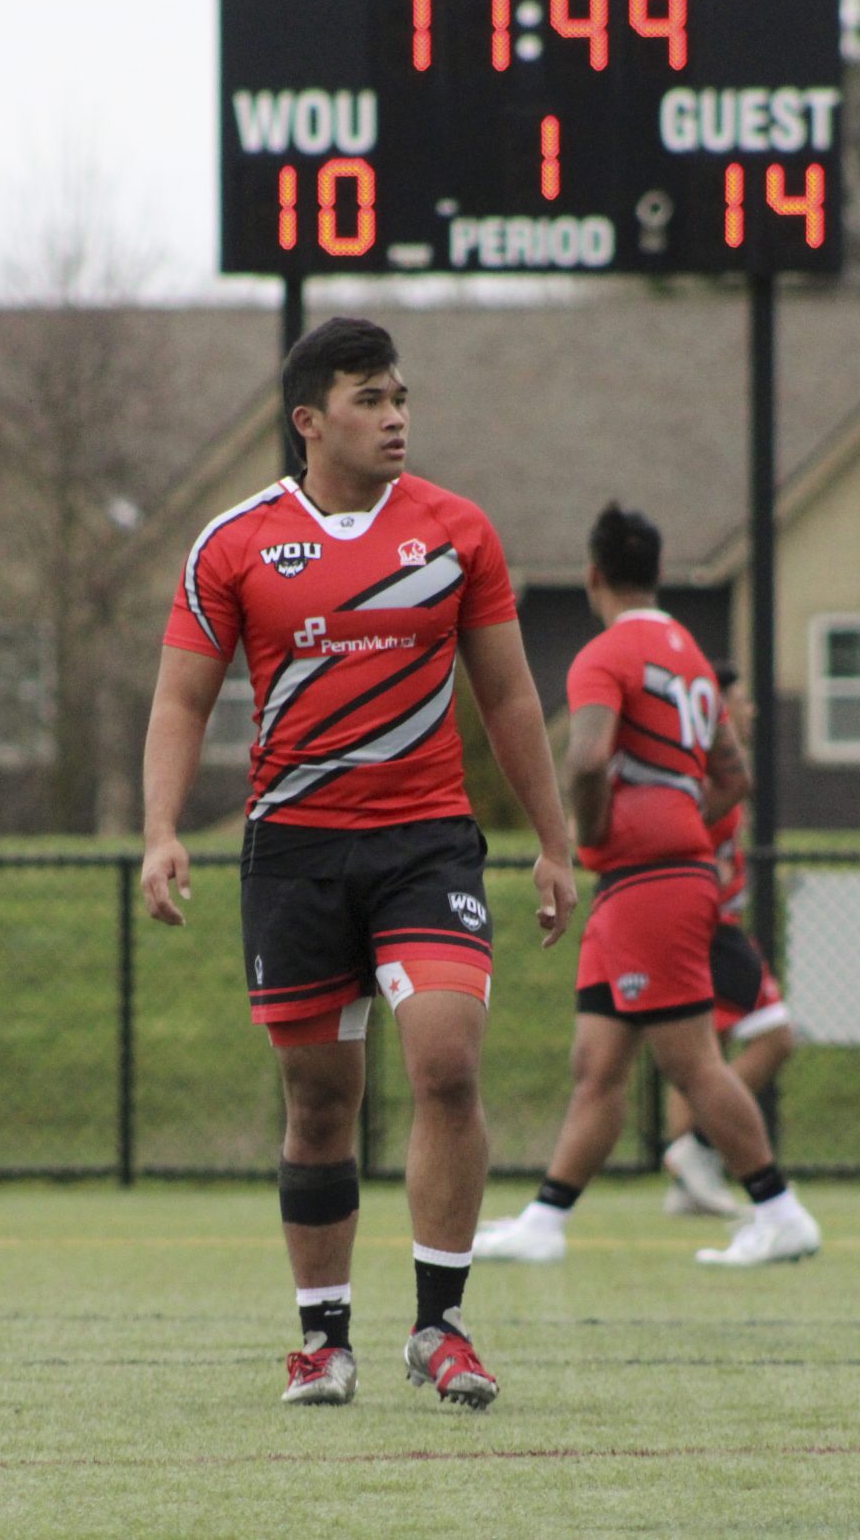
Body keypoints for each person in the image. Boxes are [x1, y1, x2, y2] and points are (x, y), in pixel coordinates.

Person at [140, 316, 579, 1410]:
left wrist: (555, 839)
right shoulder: (232, 544)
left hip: (424, 845)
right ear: (309, 421)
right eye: (370, 400)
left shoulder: (457, 532)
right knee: (320, 1099)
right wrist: (158, 831)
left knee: (446, 1060)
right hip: (292, 855)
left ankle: (440, 1329)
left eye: (401, 398)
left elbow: (510, 695)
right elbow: (182, 697)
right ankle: (322, 1340)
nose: (395, 418)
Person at [474, 504, 821, 1268]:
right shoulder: (688, 654)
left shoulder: (605, 655)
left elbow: (588, 757)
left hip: (647, 880)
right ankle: (546, 1220)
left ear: (593, 574)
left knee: (691, 1060)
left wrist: (587, 837)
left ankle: (778, 1207)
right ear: (658, 573)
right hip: (652, 878)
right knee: (598, 1064)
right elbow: (735, 777)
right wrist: (678, 817)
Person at [658, 663, 799, 1218]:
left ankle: (690, 1179)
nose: (750, 709)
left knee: (698, 1052)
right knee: (775, 1036)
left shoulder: (720, 768)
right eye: (738, 700)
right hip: (709, 928)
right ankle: (697, 1149)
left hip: (709, 927)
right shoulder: (703, 774)